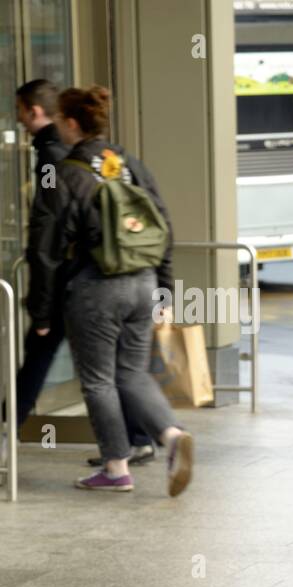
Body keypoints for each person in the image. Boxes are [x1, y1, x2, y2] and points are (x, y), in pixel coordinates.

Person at [32, 85, 194, 495]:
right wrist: (164, 288)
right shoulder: (131, 164)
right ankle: (172, 435)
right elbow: (163, 225)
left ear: (70, 124)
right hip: (142, 284)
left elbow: (48, 249)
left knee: (99, 380)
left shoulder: (64, 173)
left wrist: (42, 312)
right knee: (132, 373)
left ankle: (116, 467)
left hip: (96, 289)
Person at [7, 79, 154, 468]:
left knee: (51, 363)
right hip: (109, 278)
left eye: (20, 111)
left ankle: (8, 437)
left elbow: (46, 238)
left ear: (35, 112)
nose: (18, 119)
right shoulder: (107, 156)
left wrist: (41, 307)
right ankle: (138, 439)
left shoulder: (54, 159)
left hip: (74, 284)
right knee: (115, 367)